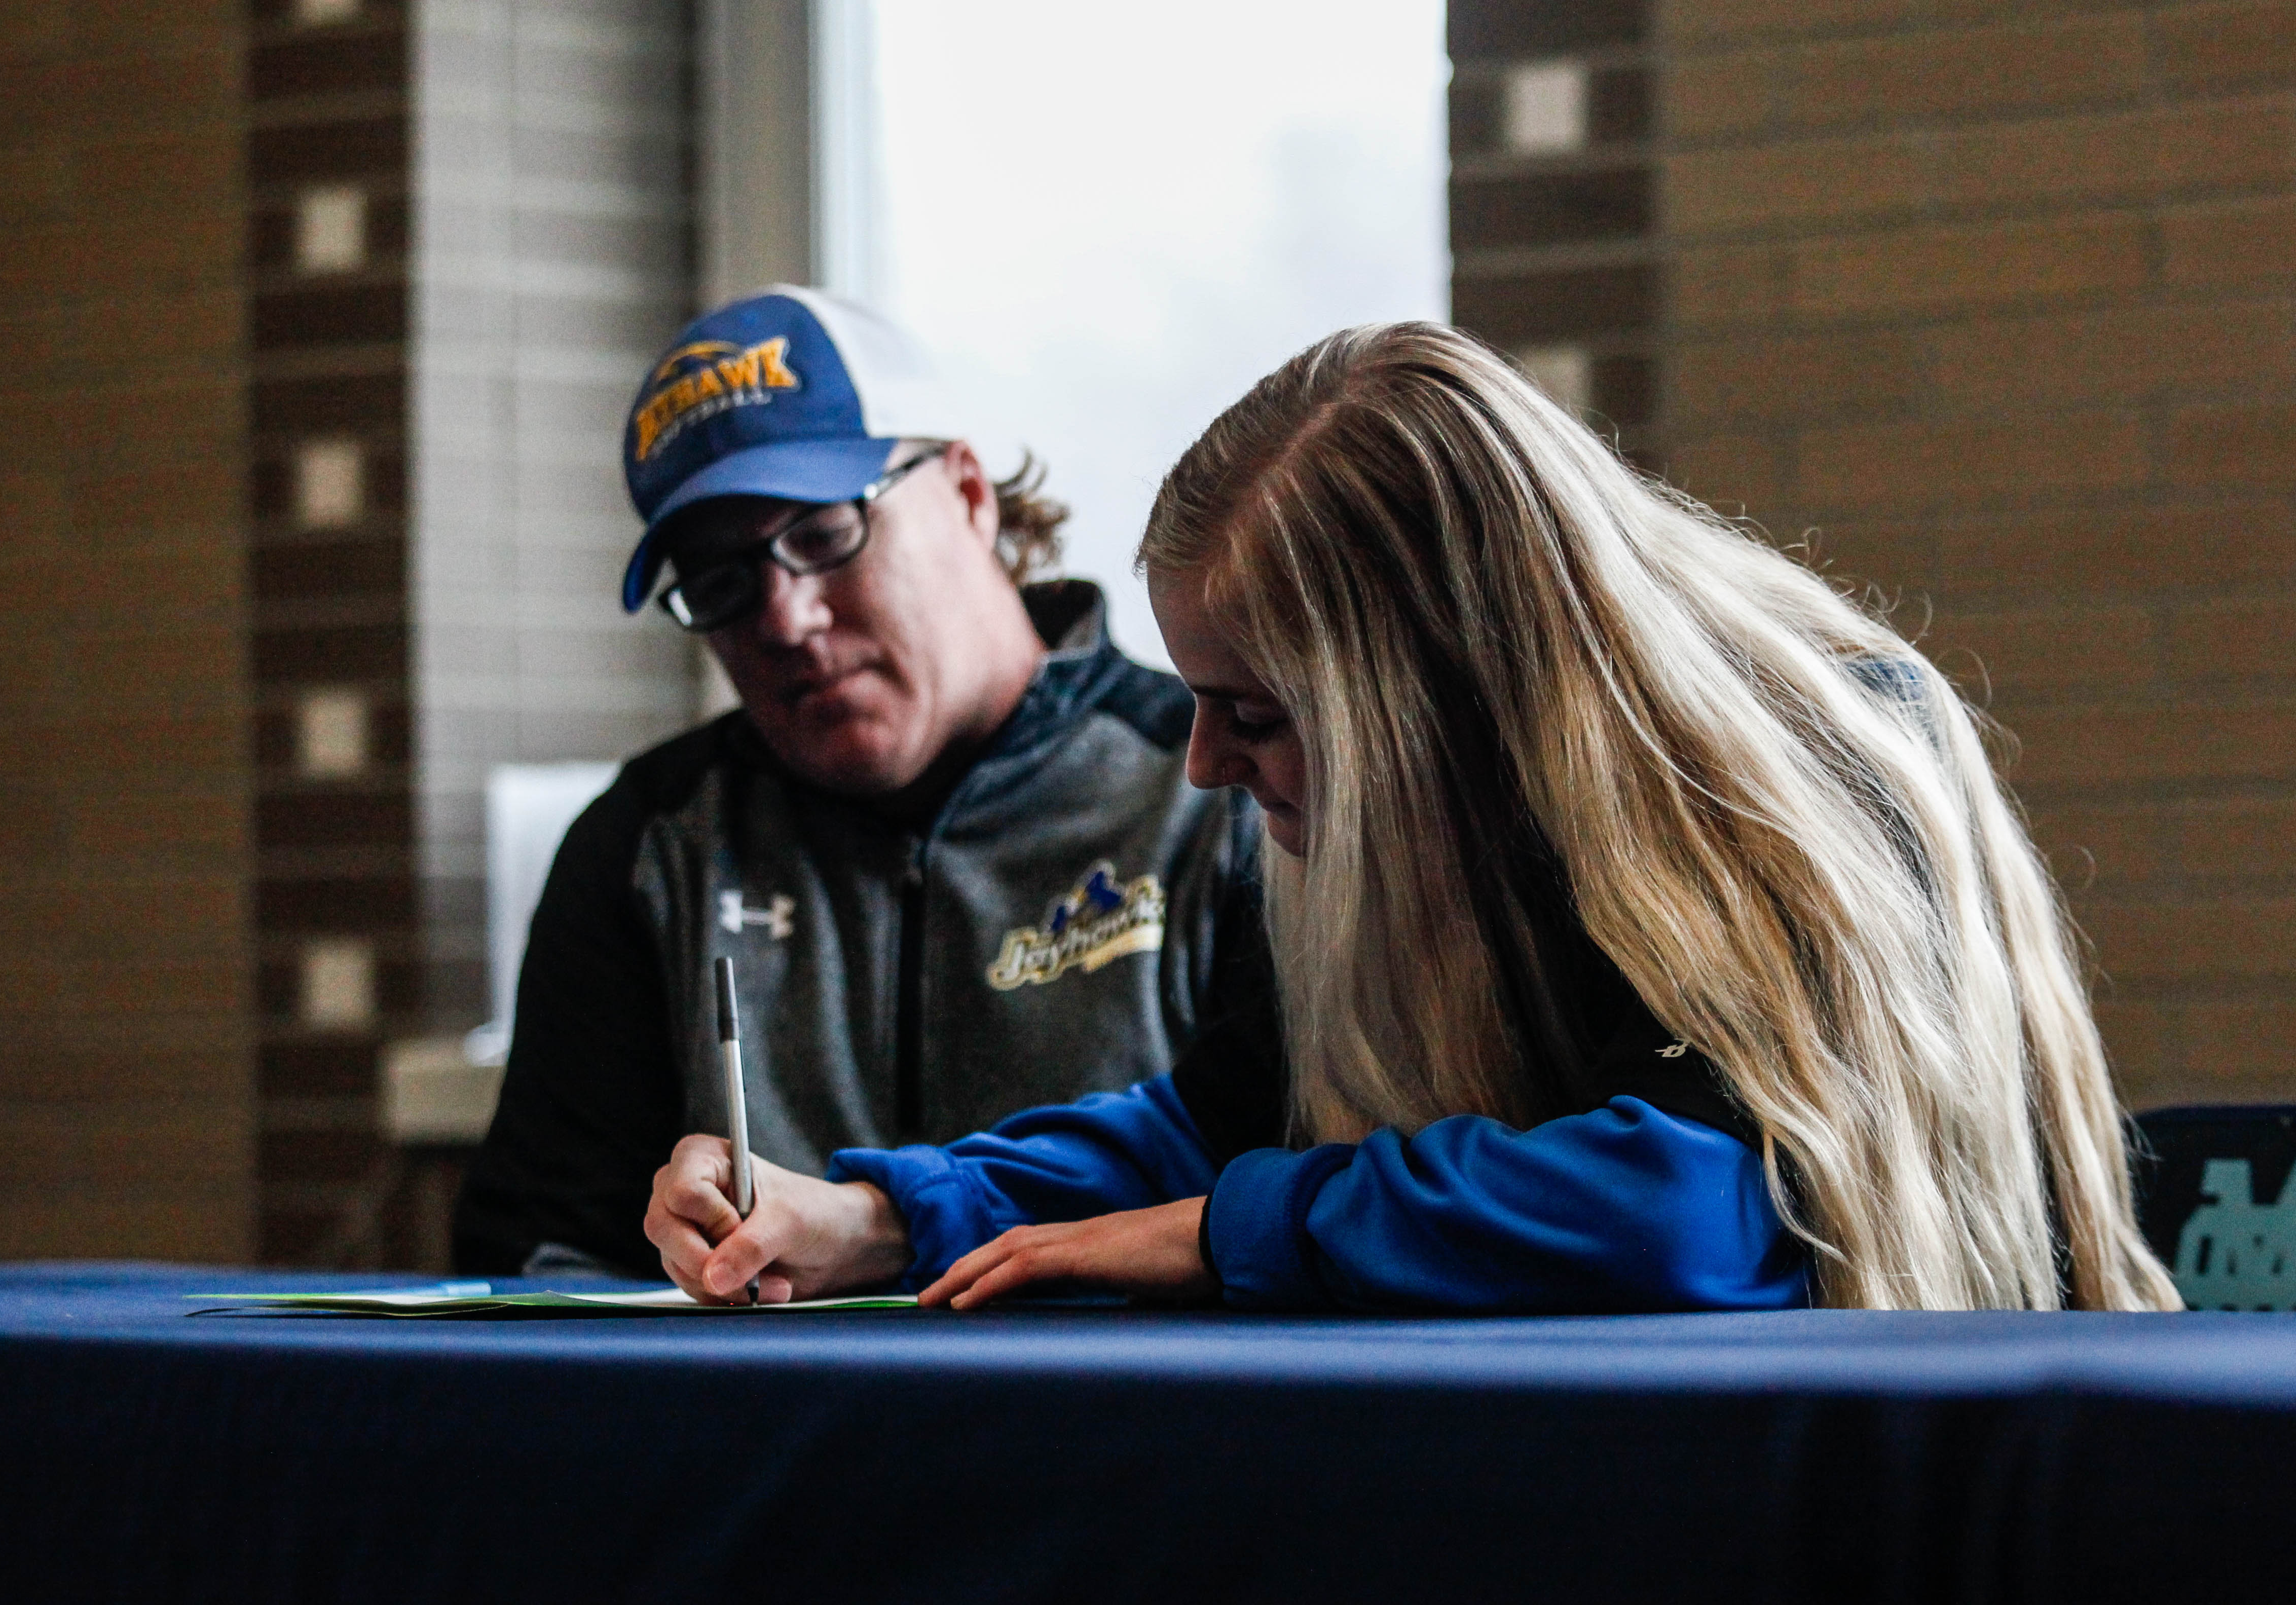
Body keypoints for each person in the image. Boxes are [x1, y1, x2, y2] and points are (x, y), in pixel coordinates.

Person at [643, 321, 2182, 1314]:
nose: (1203, 764)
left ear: (1435, 698)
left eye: (1256, 714)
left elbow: (1711, 1205)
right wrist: (884, 1212)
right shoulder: (1404, 821)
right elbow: (1221, 1116)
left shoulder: (1811, 766)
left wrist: (1226, 1230)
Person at [452, 287, 1262, 1278]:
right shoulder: (651, 846)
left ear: (969, 494)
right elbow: (539, 1259)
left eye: (822, 533)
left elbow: (1299, 1195)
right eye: (718, 582)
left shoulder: (1225, 785)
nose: (785, 619)